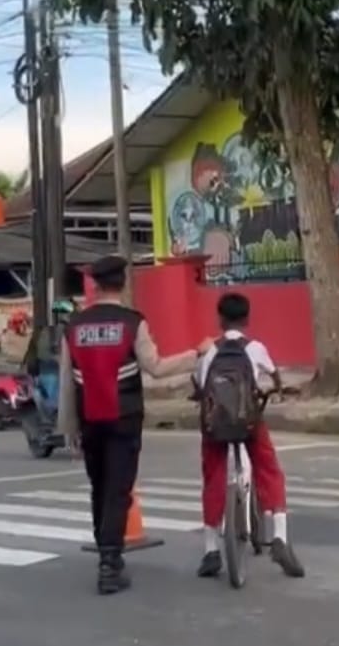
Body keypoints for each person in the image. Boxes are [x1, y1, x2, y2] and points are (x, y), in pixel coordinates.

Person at [57, 255, 211, 595]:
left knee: (99, 486)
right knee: (119, 488)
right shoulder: (132, 322)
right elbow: (154, 367)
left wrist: (69, 431)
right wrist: (196, 355)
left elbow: (68, 381)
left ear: (95, 286)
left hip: (89, 419)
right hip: (124, 417)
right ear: (123, 285)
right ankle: (109, 564)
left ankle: (106, 551)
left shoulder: (74, 327)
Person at [195, 292, 305, 580]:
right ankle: (279, 537)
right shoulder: (256, 348)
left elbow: (199, 384)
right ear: (247, 319)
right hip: (248, 423)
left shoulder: (209, 352)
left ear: (220, 319)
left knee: (212, 478)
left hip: (215, 426)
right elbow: (273, 376)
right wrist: (278, 388)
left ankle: (210, 550)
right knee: (270, 470)